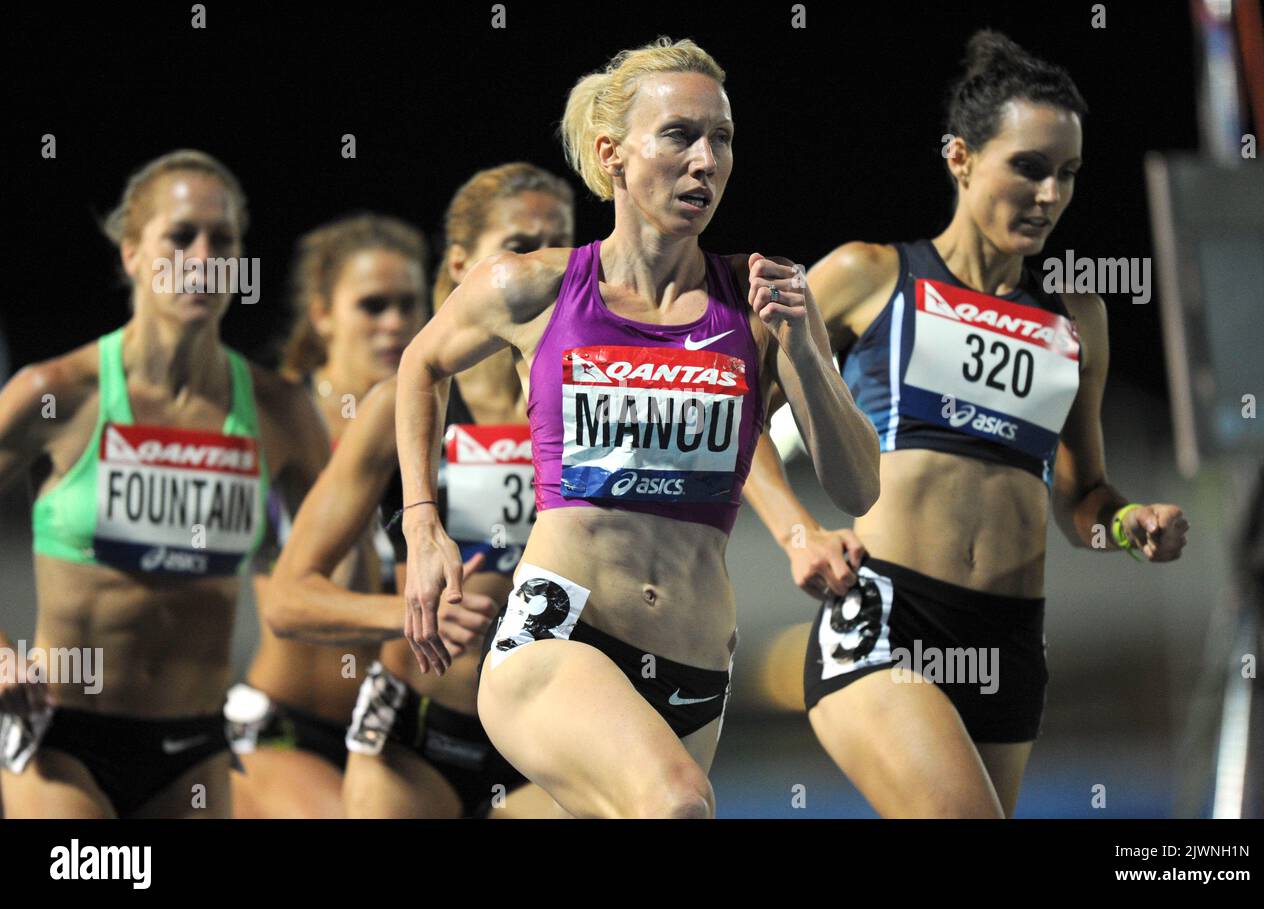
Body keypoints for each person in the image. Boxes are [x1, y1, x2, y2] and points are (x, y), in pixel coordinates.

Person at [395, 37, 879, 819]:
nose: (706, 161)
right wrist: (424, 527)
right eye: (680, 135)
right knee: (680, 804)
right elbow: (421, 365)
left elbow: (859, 483)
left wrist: (806, 354)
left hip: (693, 673)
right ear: (611, 154)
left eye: (721, 139)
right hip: (561, 637)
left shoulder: (758, 301)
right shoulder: (537, 287)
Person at [743, 30, 1190, 818]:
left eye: (1068, 174)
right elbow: (729, 412)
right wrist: (797, 533)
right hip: (886, 620)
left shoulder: (1075, 318)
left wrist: (1128, 524)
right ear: (958, 157)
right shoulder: (868, 275)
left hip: (1011, 644)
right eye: (1028, 167)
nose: (1050, 194)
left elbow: (1082, 494)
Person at [0, 150, 331, 818]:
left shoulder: (280, 413)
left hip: (193, 746)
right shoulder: (56, 393)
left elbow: (340, 562)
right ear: (130, 253)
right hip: (62, 738)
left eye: (224, 239)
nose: (204, 255)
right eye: (181, 236)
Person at [262, 163, 576, 818]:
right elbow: (288, 599)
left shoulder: (594, 404)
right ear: (461, 265)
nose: (542, 268)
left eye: (561, 246)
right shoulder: (401, 405)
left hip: (549, 740)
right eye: (519, 247)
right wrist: (405, 613)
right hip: (411, 741)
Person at [231, 213, 427, 818]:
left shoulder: (437, 425)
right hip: (286, 729)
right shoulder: (278, 418)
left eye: (407, 303)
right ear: (322, 315)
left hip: (398, 739)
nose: (393, 322)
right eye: (372, 305)